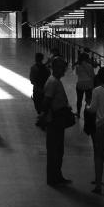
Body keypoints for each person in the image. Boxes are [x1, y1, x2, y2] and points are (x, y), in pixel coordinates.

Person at [42, 55, 72, 186]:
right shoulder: (53, 82)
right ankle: (53, 178)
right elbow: (46, 101)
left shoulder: (55, 81)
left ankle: (57, 175)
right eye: (61, 68)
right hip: (54, 119)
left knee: (58, 149)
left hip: (57, 119)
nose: (63, 71)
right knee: (54, 150)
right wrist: (46, 116)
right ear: (55, 68)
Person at [73, 51, 95, 117]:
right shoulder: (90, 66)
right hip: (88, 84)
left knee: (79, 99)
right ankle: (88, 112)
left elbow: (77, 74)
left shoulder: (77, 66)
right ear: (87, 58)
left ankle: (78, 113)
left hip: (80, 84)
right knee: (88, 100)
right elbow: (92, 75)